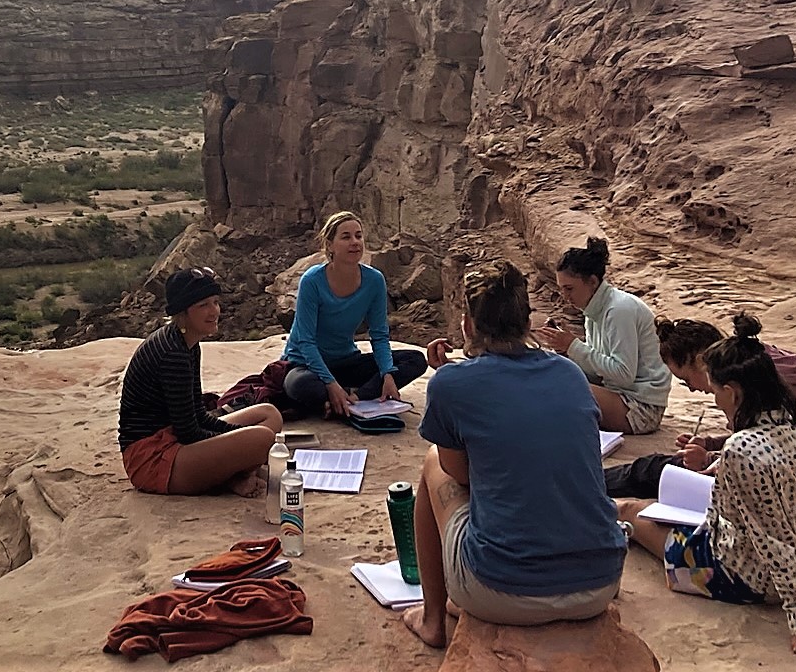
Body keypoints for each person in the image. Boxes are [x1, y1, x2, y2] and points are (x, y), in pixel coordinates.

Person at [402, 265, 627, 649]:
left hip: (503, 590)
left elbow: (459, 474)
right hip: (600, 584)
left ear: (468, 325)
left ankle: (433, 619)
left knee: (431, 462)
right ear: (527, 320)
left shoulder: (450, 384)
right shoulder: (569, 374)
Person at [616, 316, 796, 664]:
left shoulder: (743, 448)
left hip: (742, 574)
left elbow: (774, 539)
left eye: (715, 391)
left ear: (734, 392)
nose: (714, 401)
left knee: (631, 511)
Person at [606, 314, 796, 496]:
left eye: (687, 380)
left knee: (654, 472)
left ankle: (588, 485)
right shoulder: (757, 362)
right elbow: (766, 439)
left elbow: (756, 455)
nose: (693, 389)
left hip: (792, 486)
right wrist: (711, 445)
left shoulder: (753, 379)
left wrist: (707, 458)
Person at [118, 268, 284, 496]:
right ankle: (233, 475)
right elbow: (189, 432)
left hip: (175, 437)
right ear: (183, 312)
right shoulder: (172, 352)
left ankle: (233, 475)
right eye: (203, 305)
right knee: (263, 438)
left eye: (215, 302)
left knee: (268, 414)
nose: (214, 311)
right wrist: (239, 441)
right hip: (153, 458)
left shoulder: (187, 342)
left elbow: (197, 414)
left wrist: (237, 435)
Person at [280, 211, 428, 419]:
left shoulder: (374, 280)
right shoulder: (312, 280)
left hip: (346, 360)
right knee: (297, 384)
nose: (355, 242)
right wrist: (330, 383)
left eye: (358, 236)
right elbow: (305, 341)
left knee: (415, 359)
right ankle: (342, 396)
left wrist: (387, 373)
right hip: (306, 364)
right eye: (346, 237)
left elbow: (378, 334)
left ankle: (352, 398)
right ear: (330, 245)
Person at [533, 237, 670, 434]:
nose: (564, 296)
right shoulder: (593, 312)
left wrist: (574, 347)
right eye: (561, 288)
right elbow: (598, 371)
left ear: (592, 282)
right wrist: (565, 352)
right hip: (617, 395)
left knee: (561, 384)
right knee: (554, 372)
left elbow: (623, 375)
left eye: (569, 288)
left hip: (640, 407)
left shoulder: (618, 309)